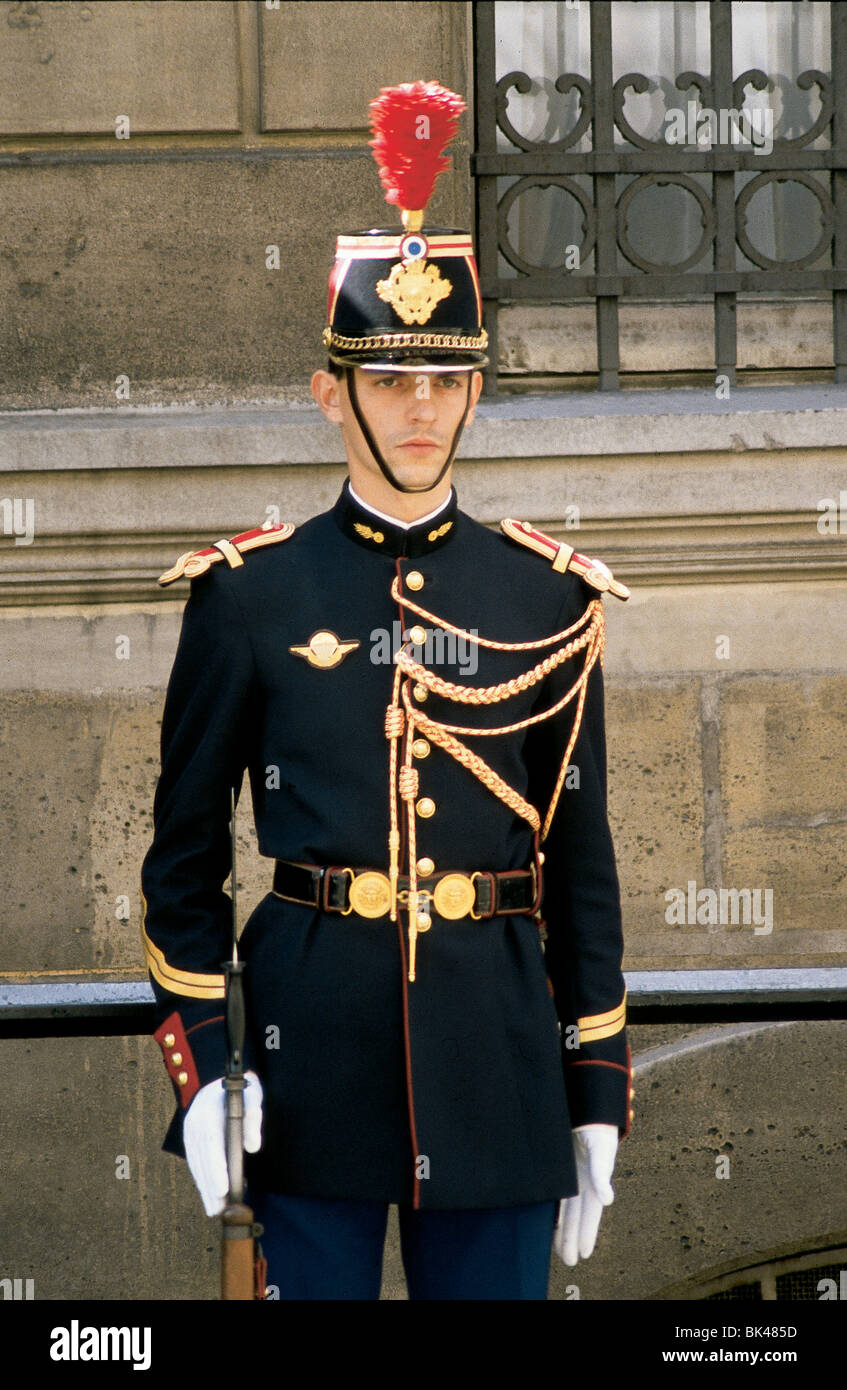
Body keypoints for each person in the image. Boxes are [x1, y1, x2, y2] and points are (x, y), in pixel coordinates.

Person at [141, 81, 633, 1301]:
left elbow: (581, 860)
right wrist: (205, 1076)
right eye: (389, 377)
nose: (421, 407)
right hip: (306, 1079)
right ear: (331, 392)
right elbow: (183, 862)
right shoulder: (249, 595)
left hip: (501, 1073)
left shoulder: (547, 598)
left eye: (445, 379)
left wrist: (596, 1089)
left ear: (474, 390)